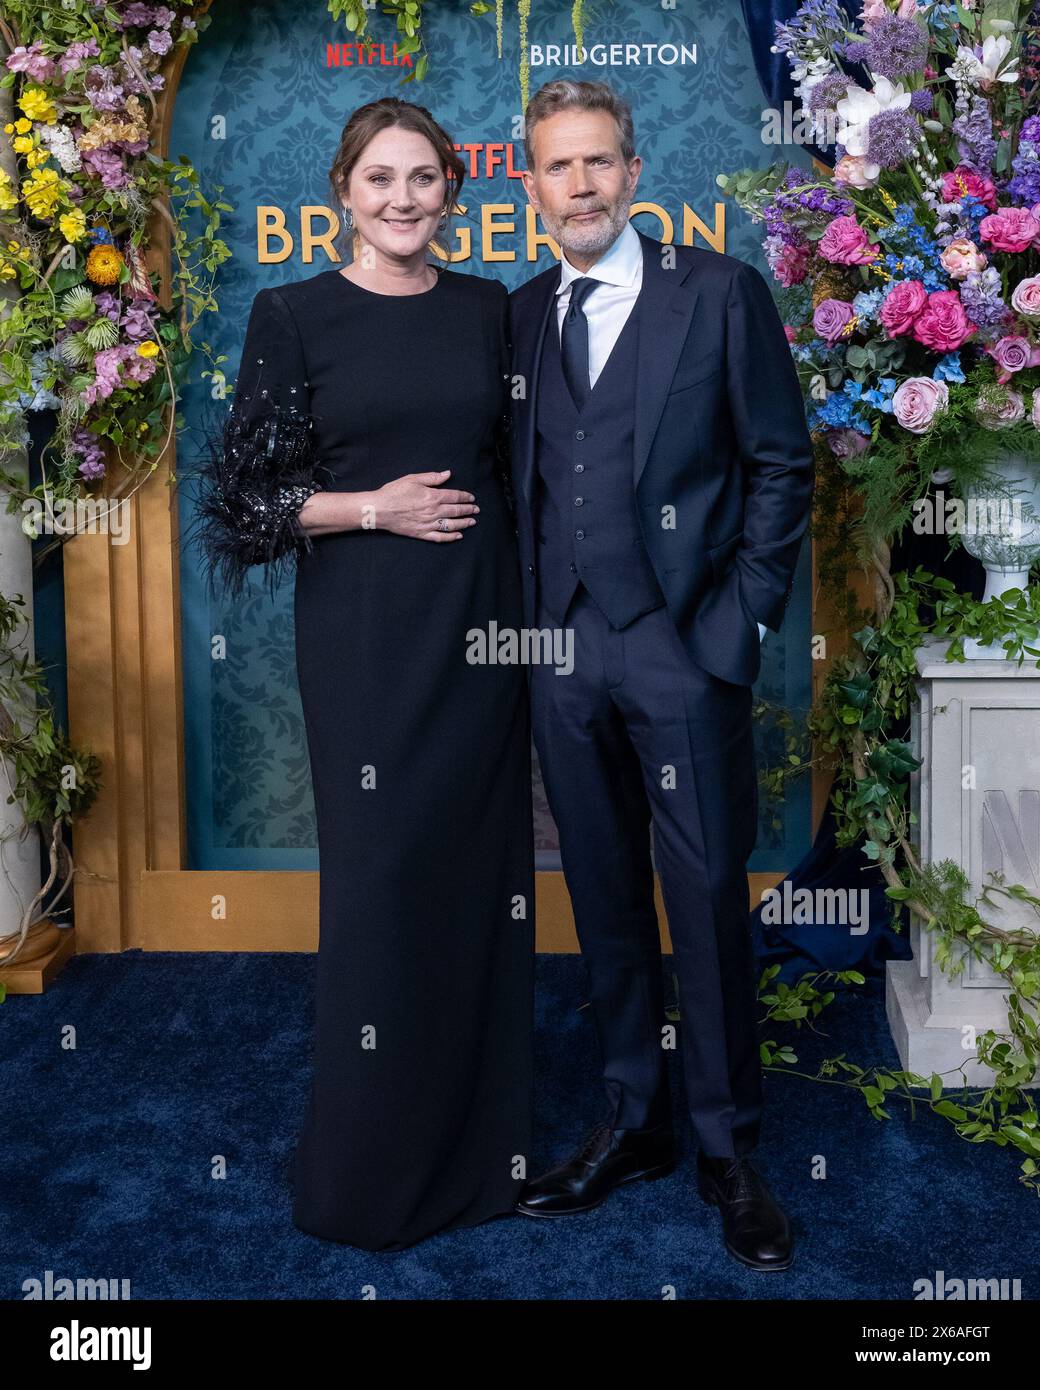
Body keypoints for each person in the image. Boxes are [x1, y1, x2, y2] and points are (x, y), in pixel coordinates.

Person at [189, 97, 534, 1252]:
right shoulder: (291, 314)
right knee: (384, 886)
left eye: (424, 180)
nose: (402, 199)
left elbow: (524, 468)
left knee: (479, 883)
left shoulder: (491, 309)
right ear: (342, 190)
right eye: (380, 179)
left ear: (451, 192)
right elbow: (241, 506)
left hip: (481, 632)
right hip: (369, 639)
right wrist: (371, 508)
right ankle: (372, 1174)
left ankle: (487, 1159)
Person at [507, 79, 814, 1271]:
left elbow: (780, 466)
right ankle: (632, 1120)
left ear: (632, 172)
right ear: (528, 185)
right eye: (553, 167)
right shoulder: (524, 313)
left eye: (596, 163)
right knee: (601, 894)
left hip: (683, 649)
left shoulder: (719, 294)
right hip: (562, 652)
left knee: (702, 901)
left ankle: (728, 1149)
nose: (577, 185)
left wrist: (733, 628)